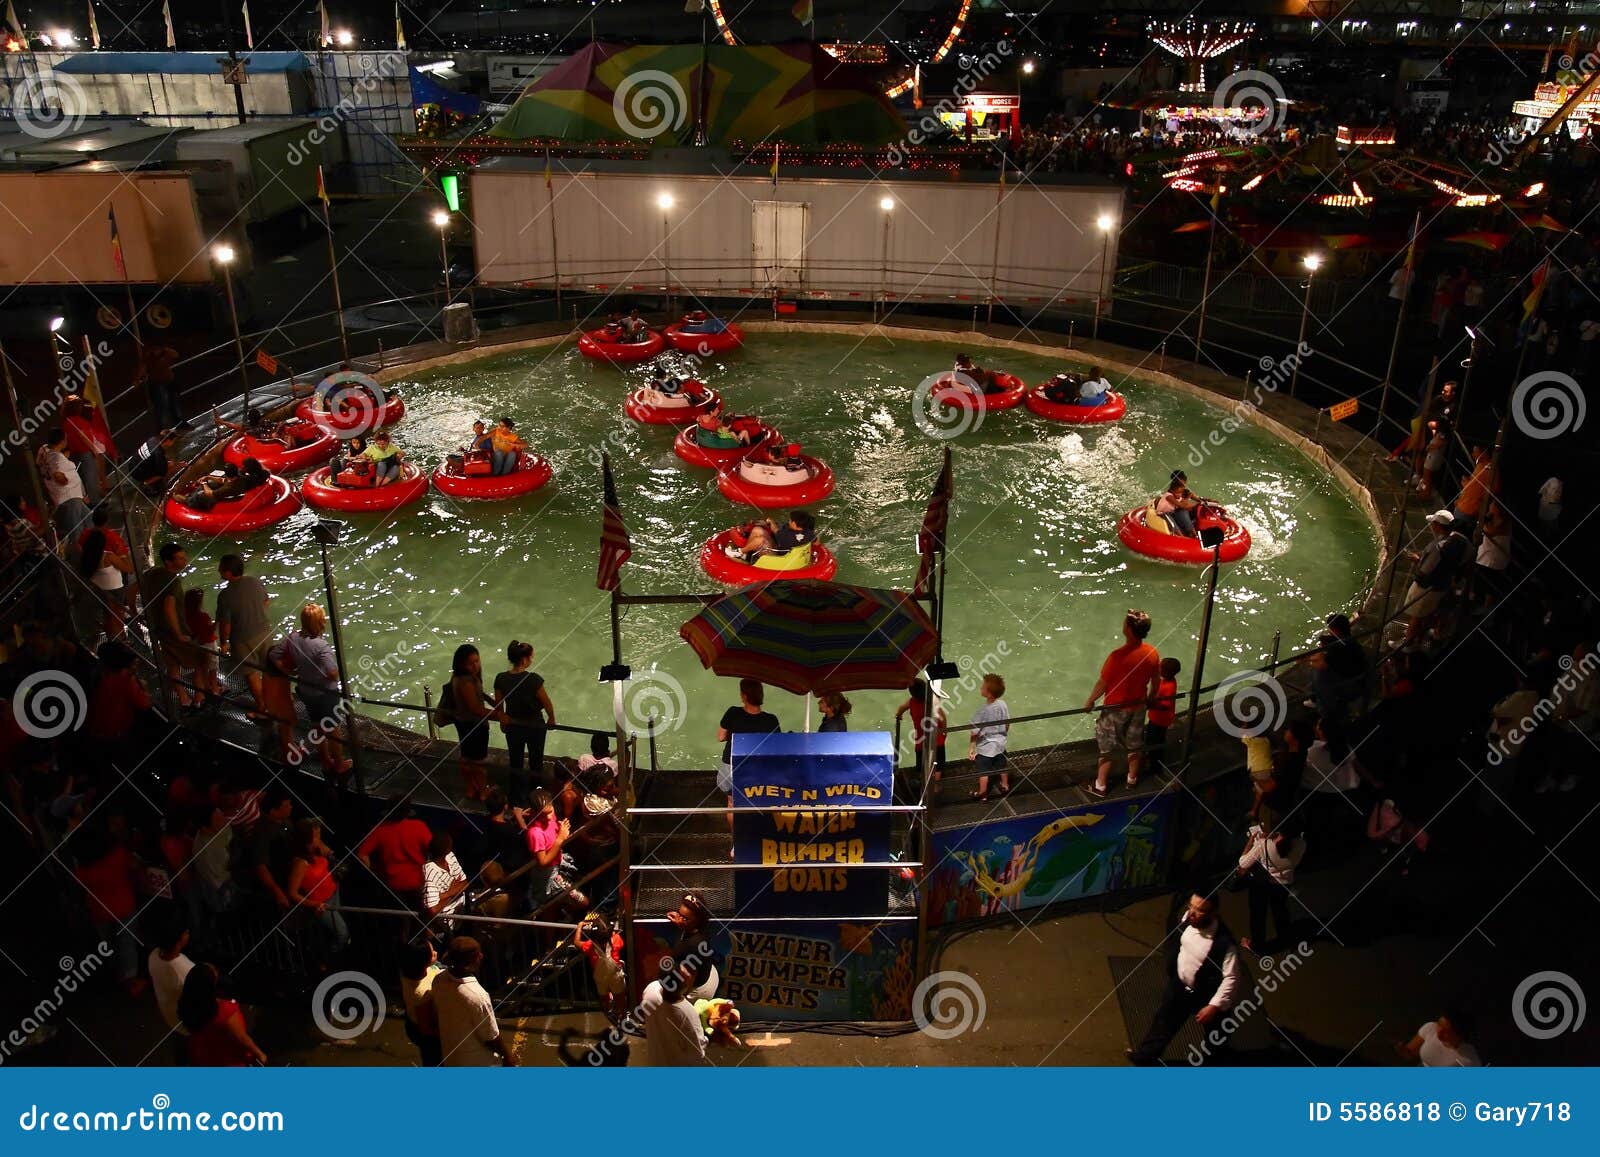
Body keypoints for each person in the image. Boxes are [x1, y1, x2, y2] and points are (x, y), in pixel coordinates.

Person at [1126, 893, 1244, 1065]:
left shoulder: (1224, 944)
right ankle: (1144, 1057)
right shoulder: (1189, 919)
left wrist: (1213, 1006)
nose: (1192, 913)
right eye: (1191, 906)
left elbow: (1231, 978)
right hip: (1180, 987)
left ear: (1213, 914)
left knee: (1217, 1036)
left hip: (1207, 995)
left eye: (1200, 910)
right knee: (1163, 1023)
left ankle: (1216, 1066)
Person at [1085, 610, 1162, 796]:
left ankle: (1100, 785)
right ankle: (1132, 779)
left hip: (1115, 709)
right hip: (1139, 706)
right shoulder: (1152, 652)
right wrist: (1151, 697)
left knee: (1107, 747)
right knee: (1134, 743)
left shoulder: (1117, 656)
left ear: (1128, 629)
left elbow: (1103, 683)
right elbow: (1156, 680)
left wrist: (1090, 701)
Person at [269, 603, 349, 774]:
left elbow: (273, 655)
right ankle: (340, 764)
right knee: (333, 729)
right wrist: (321, 676)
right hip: (325, 694)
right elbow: (333, 673)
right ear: (320, 622)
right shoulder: (321, 646)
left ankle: (326, 760)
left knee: (317, 726)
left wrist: (288, 671)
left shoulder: (292, 638)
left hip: (306, 692)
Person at [433, 936, 515, 1066]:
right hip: (477, 1061)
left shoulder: (438, 979)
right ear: (471, 962)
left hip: (451, 1058)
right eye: (478, 955)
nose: (481, 956)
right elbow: (490, 1036)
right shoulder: (477, 996)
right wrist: (508, 1057)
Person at [716, 679, 781, 829]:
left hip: (732, 767)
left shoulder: (733, 713)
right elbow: (776, 746)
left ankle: (736, 842)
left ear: (744, 696)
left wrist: (734, 733)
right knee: (756, 803)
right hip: (759, 771)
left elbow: (720, 737)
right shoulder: (771, 720)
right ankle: (756, 838)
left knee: (732, 803)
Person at [493, 640, 553, 800]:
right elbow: (546, 702)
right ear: (524, 659)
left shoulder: (500, 678)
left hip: (514, 725)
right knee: (536, 759)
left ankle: (515, 792)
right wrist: (552, 718)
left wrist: (502, 720)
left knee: (515, 759)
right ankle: (537, 792)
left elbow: (499, 705)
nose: (532, 660)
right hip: (535, 726)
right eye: (531, 657)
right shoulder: (534, 679)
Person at [141, 542, 198, 709]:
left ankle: (183, 697)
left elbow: (132, 590)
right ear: (169, 562)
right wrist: (179, 633)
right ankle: (202, 695)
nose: (185, 560)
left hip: (158, 628)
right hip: (173, 631)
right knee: (201, 661)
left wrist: (133, 610)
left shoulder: (151, 573)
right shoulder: (172, 581)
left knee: (172, 664)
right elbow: (169, 607)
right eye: (180, 558)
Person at [1234, 820, 1305, 952]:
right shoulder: (1301, 844)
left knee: (1258, 915)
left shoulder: (1264, 844)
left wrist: (1252, 841)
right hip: (1285, 883)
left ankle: (1257, 946)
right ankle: (1286, 941)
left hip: (1263, 883)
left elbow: (1243, 863)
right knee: (1281, 913)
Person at [217, 554, 272, 719]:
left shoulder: (225, 595)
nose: (218, 570)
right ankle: (277, 702)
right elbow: (266, 601)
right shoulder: (254, 581)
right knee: (269, 670)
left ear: (228, 573)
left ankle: (263, 709)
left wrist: (224, 643)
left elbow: (225, 624)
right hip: (264, 632)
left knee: (251, 674)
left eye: (220, 568)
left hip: (242, 639)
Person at [178, 964, 267, 1066]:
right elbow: (242, 1038)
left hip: (204, 1054)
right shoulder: (225, 1009)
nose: (216, 970)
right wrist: (260, 1055)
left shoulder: (186, 1004)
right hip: (226, 1057)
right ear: (210, 985)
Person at [286, 816, 349, 957]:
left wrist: (328, 853)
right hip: (321, 902)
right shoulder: (301, 863)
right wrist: (314, 904)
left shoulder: (316, 847)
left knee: (338, 920)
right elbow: (292, 893)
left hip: (333, 891)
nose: (319, 839)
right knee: (342, 931)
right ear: (306, 841)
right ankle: (332, 953)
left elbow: (331, 859)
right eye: (316, 836)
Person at [1404, 510, 1470, 641]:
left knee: (1416, 616)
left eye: (1433, 523)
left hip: (1426, 587)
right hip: (1441, 585)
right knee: (1428, 612)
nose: (1431, 525)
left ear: (1439, 526)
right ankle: (1419, 637)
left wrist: (1418, 563)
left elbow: (1425, 572)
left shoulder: (1440, 546)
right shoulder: (1457, 541)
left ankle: (1408, 644)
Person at [447, 643, 501, 802]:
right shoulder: (466, 682)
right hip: (475, 726)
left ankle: (470, 788)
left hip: (462, 722)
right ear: (461, 664)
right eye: (471, 663)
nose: (475, 666)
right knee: (478, 761)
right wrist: (497, 715)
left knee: (465, 757)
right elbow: (476, 709)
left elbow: (476, 694)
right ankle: (484, 791)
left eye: (477, 661)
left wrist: (489, 700)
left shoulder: (458, 678)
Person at [357, 797, 433, 908]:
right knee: (421, 917)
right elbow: (433, 849)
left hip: (393, 884)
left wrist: (373, 873)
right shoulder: (419, 826)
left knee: (400, 918)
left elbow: (362, 854)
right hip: (417, 882)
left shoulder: (379, 830)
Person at [638, 954, 710, 1066]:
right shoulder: (687, 1013)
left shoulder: (651, 990)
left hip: (655, 1061)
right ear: (684, 986)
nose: (689, 972)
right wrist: (708, 1037)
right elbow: (697, 1053)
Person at [78, 528, 131, 641]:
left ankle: (111, 639)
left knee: (107, 616)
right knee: (117, 617)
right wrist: (122, 555)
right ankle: (120, 641)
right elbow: (129, 568)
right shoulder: (108, 556)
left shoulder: (85, 557)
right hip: (114, 590)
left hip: (99, 591)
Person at [147, 911, 194, 1038]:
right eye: (186, 932)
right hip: (188, 1024)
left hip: (170, 1017)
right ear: (179, 939)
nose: (188, 934)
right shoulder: (185, 972)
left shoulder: (154, 956)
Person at [36, 428, 89, 539]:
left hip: (73, 497)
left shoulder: (44, 450)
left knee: (89, 520)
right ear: (62, 441)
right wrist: (65, 479)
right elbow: (58, 476)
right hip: (69, 499)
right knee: (77, 532)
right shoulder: (57, 458)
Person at [399, 940, 443, 1066]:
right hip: (427, 1035)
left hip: (414, 1020)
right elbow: (426, 1028)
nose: (435, 952)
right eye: (432, 953)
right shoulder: (421, 993)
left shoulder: (407, 971)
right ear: (425, 962)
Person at [896, 679, 948, 785]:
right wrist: (944, 731)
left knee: (921, 765)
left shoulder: (911, 702)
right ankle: (934, 786)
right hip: (936, 740)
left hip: (921, 741)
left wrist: (899, 715)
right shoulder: (931, 702)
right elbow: (942, 719)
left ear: (912, 694)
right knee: (937, 766)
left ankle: (923, 784)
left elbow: (901, 708)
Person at [968, 673, 1011, 800]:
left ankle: (983, 794)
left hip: (985, 748)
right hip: (1000, 745)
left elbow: (974, 731)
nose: (980, 688)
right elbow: (1008, 722)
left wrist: (971, 748)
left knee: (984, 771)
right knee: (1002, 766)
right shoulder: (1003, 704)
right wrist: (1003, 735)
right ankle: (1005, 785)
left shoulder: (983, 711)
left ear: (989, 693)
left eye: (983, 687)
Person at [421, 831, 470, 931]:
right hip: (446, 923)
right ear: (447, 849)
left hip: (463, 910)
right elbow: (433, 910)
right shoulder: (428, 873)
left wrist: (443, 895)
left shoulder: (450, 857)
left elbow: (465, 883)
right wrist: (451, 893)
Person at [1396, 1011, 1481, 1067]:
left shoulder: (1469, 1060)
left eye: (1446, 1031)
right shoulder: (1430, 1028)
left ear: (1459, 1035)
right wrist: (1401, 1049)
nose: (1438, 1032)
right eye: (1439, 1024)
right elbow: (1409, 1054)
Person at [183, 588, 224, 703]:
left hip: (196, 644)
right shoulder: (203, 616)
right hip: (209, 645)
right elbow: (210, 632)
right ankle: (215, 690)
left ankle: (202, 691)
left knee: (199, 668)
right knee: (213, 668)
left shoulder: (186, 615)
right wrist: (217, 622)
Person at [1144, 657, 1180, 778]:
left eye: (1160, 666)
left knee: (1156, 741)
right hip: (1156, 718)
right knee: (1152, 738)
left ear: (1167, 672)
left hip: (1160, 720)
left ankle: (1155, 767)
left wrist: (1150, 705)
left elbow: (1165, 706)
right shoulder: (1167, 680)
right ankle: (1153, 758)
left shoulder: (1169, 687)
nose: (1158, 667)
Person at [125, 429, 181, 496]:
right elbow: (163, 472)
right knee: (166, 470)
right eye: (173, 441)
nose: (173, 443)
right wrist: (178, 466)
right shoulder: (158, 453)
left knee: (167, 463)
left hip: (131, 465)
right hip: (137, 473)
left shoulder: (153, 439)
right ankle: (146, 483)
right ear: (168, 441)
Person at [141, 341, 182, 429]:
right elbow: (143, 368)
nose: (156, 350)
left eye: (158, 348)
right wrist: (137, 378)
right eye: (154, 348)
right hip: (156, 383)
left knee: (173, 402)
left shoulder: (166, 353)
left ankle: (178, 422)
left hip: (169, 380)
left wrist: (165, 349)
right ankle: (161, 428)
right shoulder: (148, 356)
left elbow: (176, 355)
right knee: (160, 406)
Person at [1153, 471, 1198, 537]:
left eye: (1184, 485)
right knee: (1173, 524)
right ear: (1175, 488)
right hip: (1164, 513)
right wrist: (1190, 500)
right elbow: (1182, 506)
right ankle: (1181, 536)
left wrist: (1205, 501)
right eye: (1182, 486)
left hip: (1173, 511)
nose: (1184, 487)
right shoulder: (1169, 496)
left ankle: (1194, 534)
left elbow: (1196, 498)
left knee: (1183, 512)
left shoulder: (1183, 491)